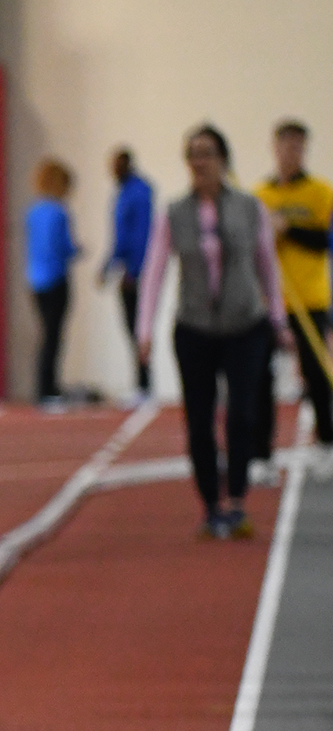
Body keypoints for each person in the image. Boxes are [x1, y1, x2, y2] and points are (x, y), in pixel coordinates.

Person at [135, 124, 293, 539]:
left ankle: (237, 501)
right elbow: (154, 271)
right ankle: (210, 505)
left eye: (207, 153)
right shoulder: (174, 213)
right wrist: (144, 329)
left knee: (242, 414)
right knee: (200, 419)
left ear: (224, 159)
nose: (199, 162)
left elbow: (266, 265)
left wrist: (277, 318)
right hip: (195, 328)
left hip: (245, 326)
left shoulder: (250, 207)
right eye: (192, 154)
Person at [252, 119, 333, 480]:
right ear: (275, 147)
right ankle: (261, 453)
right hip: (269, 303)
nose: (290, 152)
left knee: (317, 376)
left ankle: (327, 444)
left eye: (297, 147)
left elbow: (326, 242)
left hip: (311, 298)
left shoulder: (321, 194)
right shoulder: (259, 197)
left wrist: (290, 229)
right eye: (285, 145)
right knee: (259, 378)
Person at [27, 158, 80, 411]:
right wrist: (76, 250)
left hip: (35, 279)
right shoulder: (59, 212)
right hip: (55, 279)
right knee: (54, 336)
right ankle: (48, 389)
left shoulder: (33, 211)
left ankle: (44, 387)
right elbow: (61, 247)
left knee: (45, 334)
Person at [105, 148, 155, 403]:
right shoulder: (126, 192)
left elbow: (137, 236)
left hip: (136, 271)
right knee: (132, 329)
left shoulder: (137, 193)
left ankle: (144, 384)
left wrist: (132, 270)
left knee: (138, 327)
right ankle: (142, 382)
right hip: (130, 268)